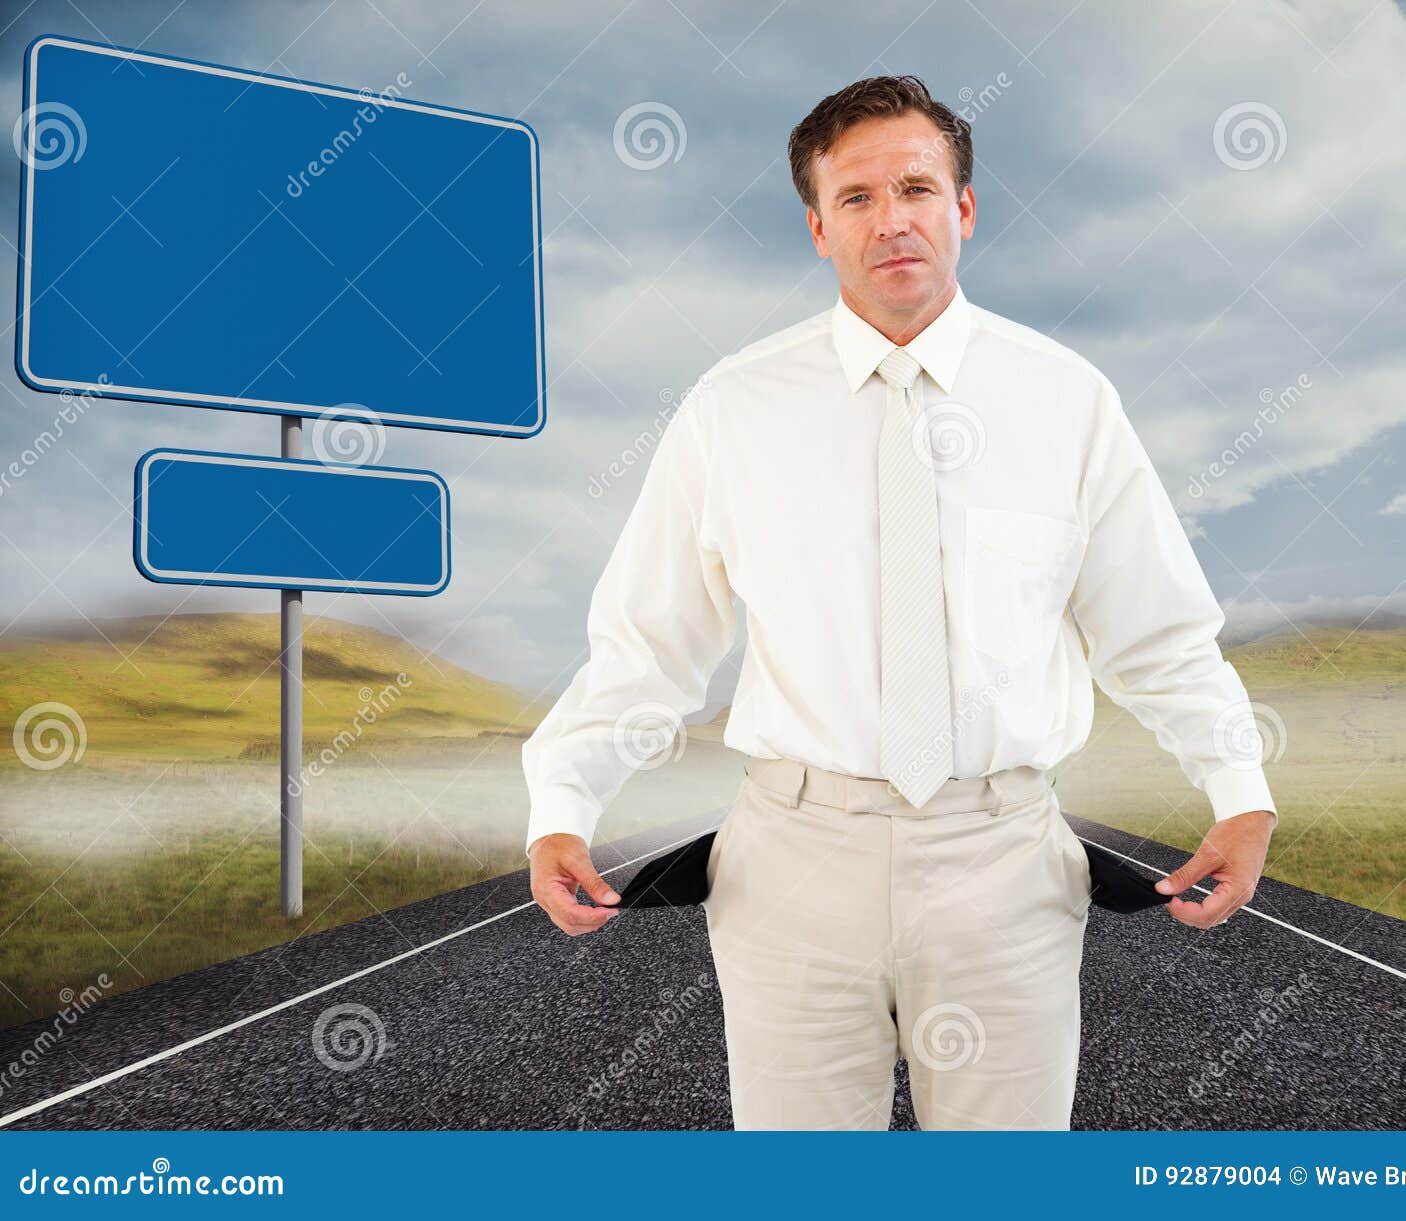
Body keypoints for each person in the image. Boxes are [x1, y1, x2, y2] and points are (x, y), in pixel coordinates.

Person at [523, 75, 1278, 1129]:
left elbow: (1154, 629)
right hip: (790, 866)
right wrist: (564, 804)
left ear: (963, 209)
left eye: (917, 188)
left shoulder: (1067, 403)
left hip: (1002, 864)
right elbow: (648, 637)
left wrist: (1237, 787)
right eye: (857, 198)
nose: (892, 221)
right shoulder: (731, 410)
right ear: (817, 226)